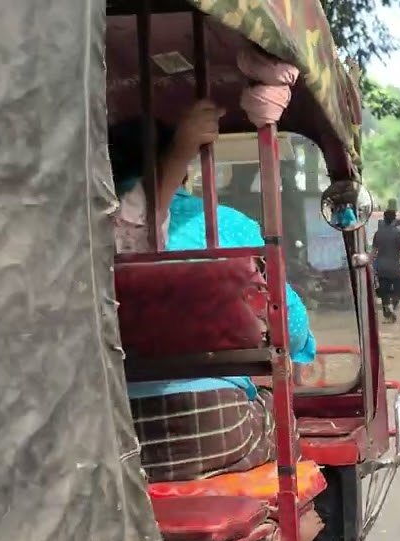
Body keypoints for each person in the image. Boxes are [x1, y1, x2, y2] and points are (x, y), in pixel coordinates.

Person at [109, 101, 318, 481]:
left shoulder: (82, 230)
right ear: (184, 171)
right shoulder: (229, 225)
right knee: (283, 421)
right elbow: (291, 326)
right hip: (219, 425)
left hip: (114, 434)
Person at [372, 209, 400, 322]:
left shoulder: (378, 234)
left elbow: (373, 253)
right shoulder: (398, 233)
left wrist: (370, 264)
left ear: (384, 218)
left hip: (381, 268)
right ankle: (392, 306)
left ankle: (388, 314)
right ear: (394, 219)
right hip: (394, 269)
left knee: (384, 292)